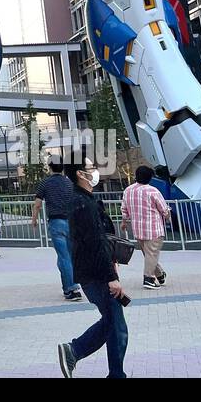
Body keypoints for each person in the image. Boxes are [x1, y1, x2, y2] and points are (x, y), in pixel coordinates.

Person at [58, 159, 129, 379]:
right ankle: (75, 350)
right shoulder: (83, 203)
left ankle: (110, 370)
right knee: (116, 326)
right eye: (91, 168)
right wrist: (111, 276)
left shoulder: (82, 200)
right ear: (81, 173)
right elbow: (95, 243)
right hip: (96, 273)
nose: (96, 172)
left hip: (91, 271)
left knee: (113, 323)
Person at [31, 163, 83, 301]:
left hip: (56, 222)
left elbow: (37, 203)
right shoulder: (69, 182)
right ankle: (68, 288)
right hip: (72, 221)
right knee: (70, 256)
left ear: (50, 167)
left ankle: (72, 289)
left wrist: (34, 219)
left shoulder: (45, 183)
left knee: (63, 256)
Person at [121, 166, 171, 288]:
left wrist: (124, 222)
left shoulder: (128, 190)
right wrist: (168, 215)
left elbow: (124, 209)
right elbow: (164, 209)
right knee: (151, 254)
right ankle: (148, 279)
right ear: (150, 178)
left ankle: (159, 275)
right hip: (153, 228)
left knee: (149, 254)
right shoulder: (152, 191)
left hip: (138, 229)